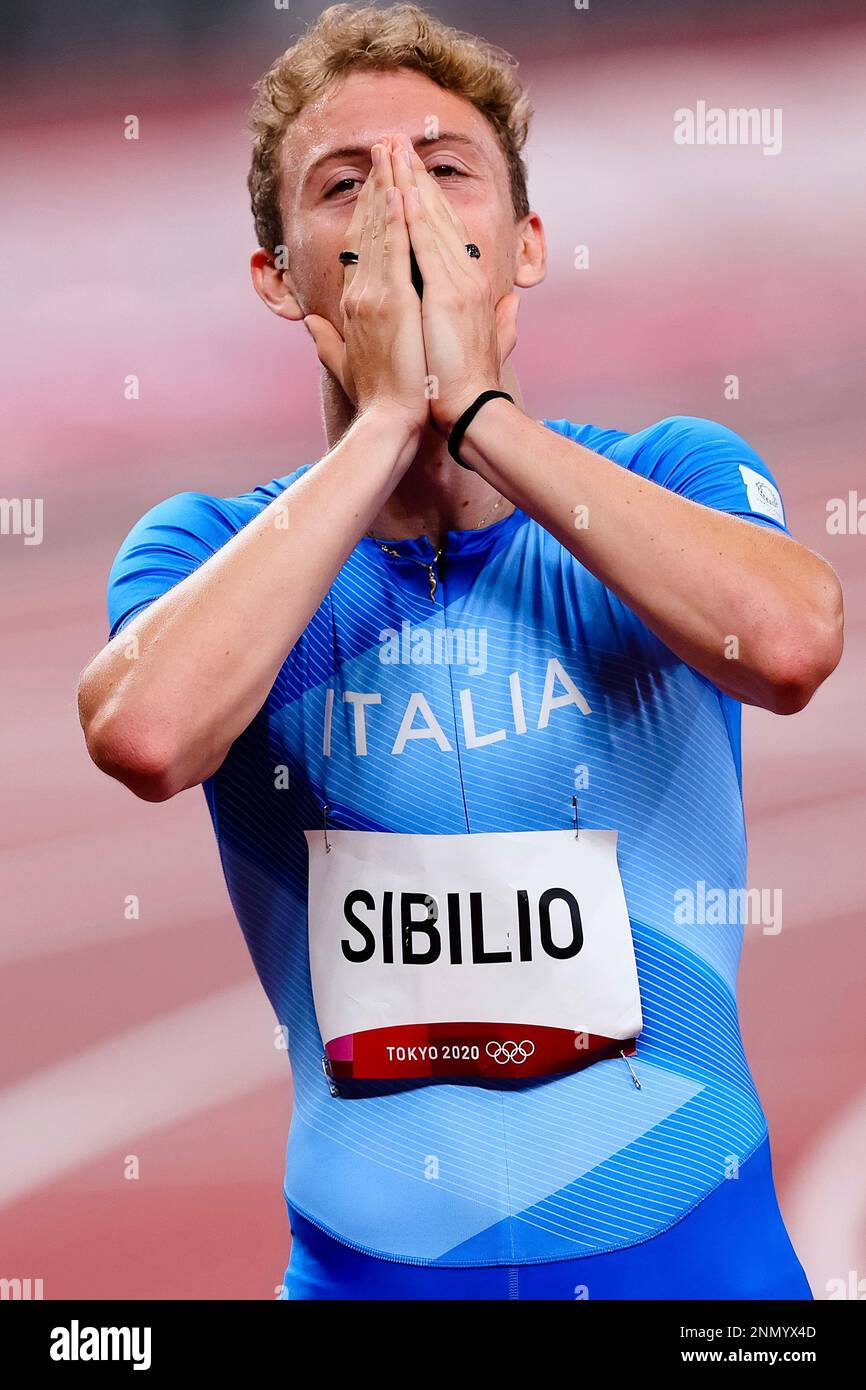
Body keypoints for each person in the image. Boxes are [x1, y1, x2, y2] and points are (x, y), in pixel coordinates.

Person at [78, 4, 843, 1300]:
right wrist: (383, 425)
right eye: (344, 186)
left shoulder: (669, 474)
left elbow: (787, 641)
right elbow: (147, 734)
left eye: (441, 172)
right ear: (277, 275)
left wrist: (476, 413)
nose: (401, 217)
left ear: (522, 246)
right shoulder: (203, 547)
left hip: (699, 1279)